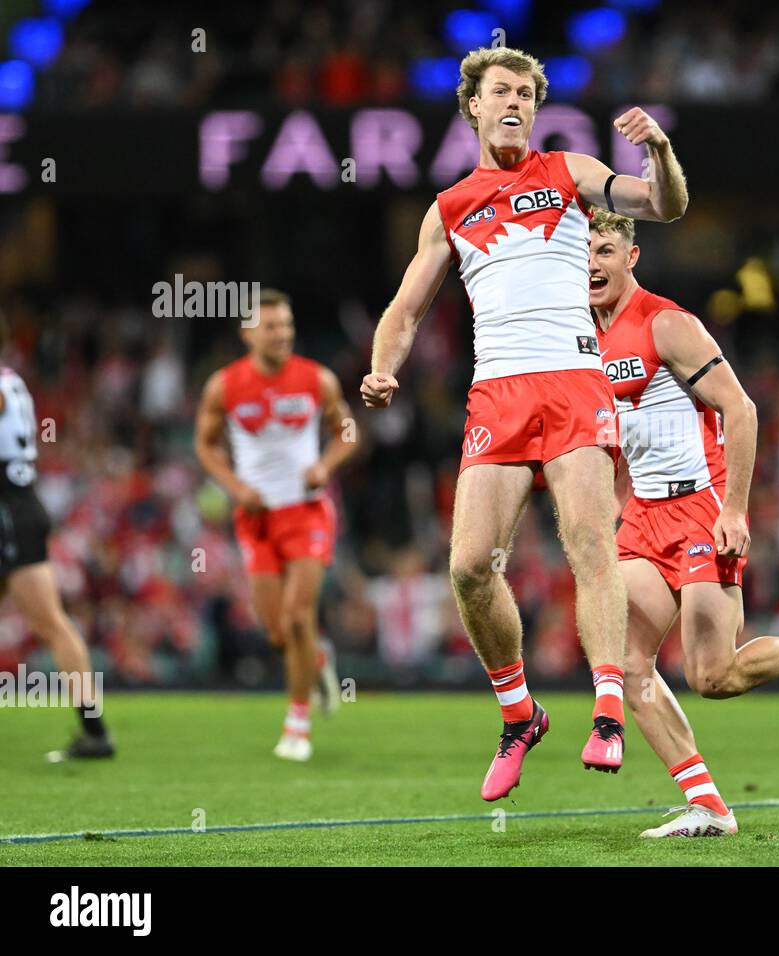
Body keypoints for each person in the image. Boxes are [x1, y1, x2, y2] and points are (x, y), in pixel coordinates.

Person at [361, 46, 690, 802]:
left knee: (588, 541)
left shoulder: (569, 173)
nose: (514, 103)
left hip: (574, 381)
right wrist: (384, 367)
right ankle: (520, 714)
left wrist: (661, 150)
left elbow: (664, 205)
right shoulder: (449, 207)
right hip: (498, 396)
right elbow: (405, 311)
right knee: (470, 567)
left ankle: (607, 707)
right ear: (472, 106)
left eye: (525, 94)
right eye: (500, 91)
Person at [589, 210, 779, 838]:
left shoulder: (668, 324)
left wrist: (734, 508)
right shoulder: (581, 339)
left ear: (632, 257)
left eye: (604, 250)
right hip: (644, 518)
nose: (592, 263)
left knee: (714, 676)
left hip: (703, 507)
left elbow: (742, 408)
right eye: (584, 253)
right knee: (626, 663)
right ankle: (707, 806)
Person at [195, 289, 356, 761]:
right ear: (247, 332)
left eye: (286, 325)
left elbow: (347, 431)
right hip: (256, 517)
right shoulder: (223, 386)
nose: (282, 333)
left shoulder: (315, 379)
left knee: (297, 615)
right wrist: (234, 487)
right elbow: (206, 445)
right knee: (276, 631)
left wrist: (325, 466)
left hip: (306, 512)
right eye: (271, 326)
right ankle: (319, 660)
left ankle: (298, 725)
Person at [0, 317, 113, 761]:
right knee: (53, 622)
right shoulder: (13, 379)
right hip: (19, 505)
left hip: (7, 510)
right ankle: (95, 730)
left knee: (49, 622)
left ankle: (96, 731)